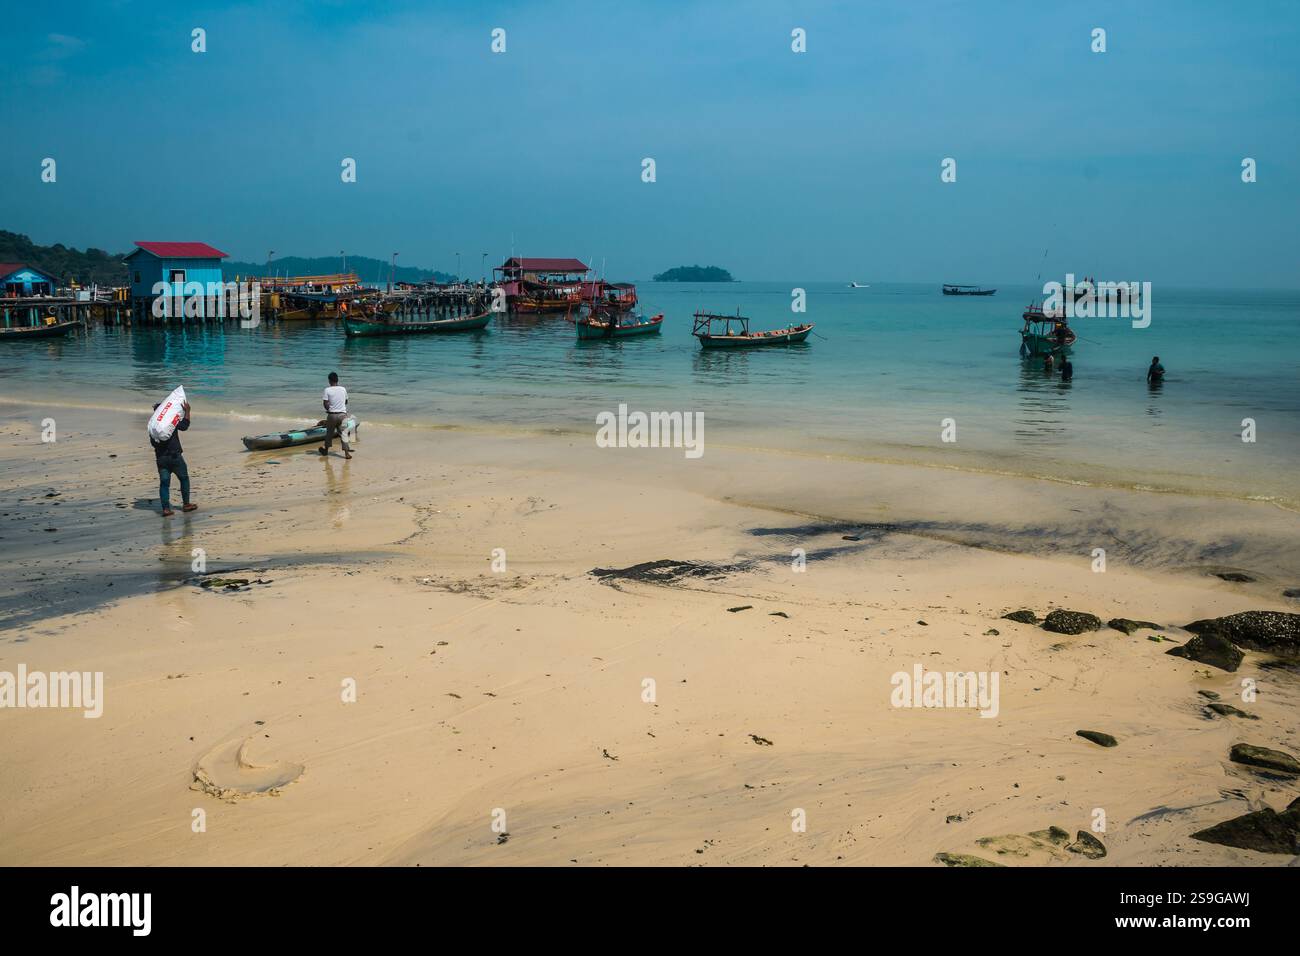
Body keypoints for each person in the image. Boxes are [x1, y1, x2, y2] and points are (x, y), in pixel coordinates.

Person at [151, 400, 197, 517]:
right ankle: (186, 504)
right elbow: (185, 425)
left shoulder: (152, 426)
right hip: (175, 457)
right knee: (184, 479)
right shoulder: (170, 421)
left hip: (161, 459)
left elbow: (153, 443)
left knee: (164, 483)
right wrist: (187, 411)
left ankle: (166, 509)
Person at [320, 372, 353, 459]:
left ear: (329, 381)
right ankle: (346, 453)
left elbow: (325, 403)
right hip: (343, 415)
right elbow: (346, 402)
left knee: (329, 434)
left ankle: (325, 451)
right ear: (337, 380)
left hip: (332, 415)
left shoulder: (327, 390)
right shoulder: (343, 389)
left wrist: (329, 409)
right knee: (344, 434)